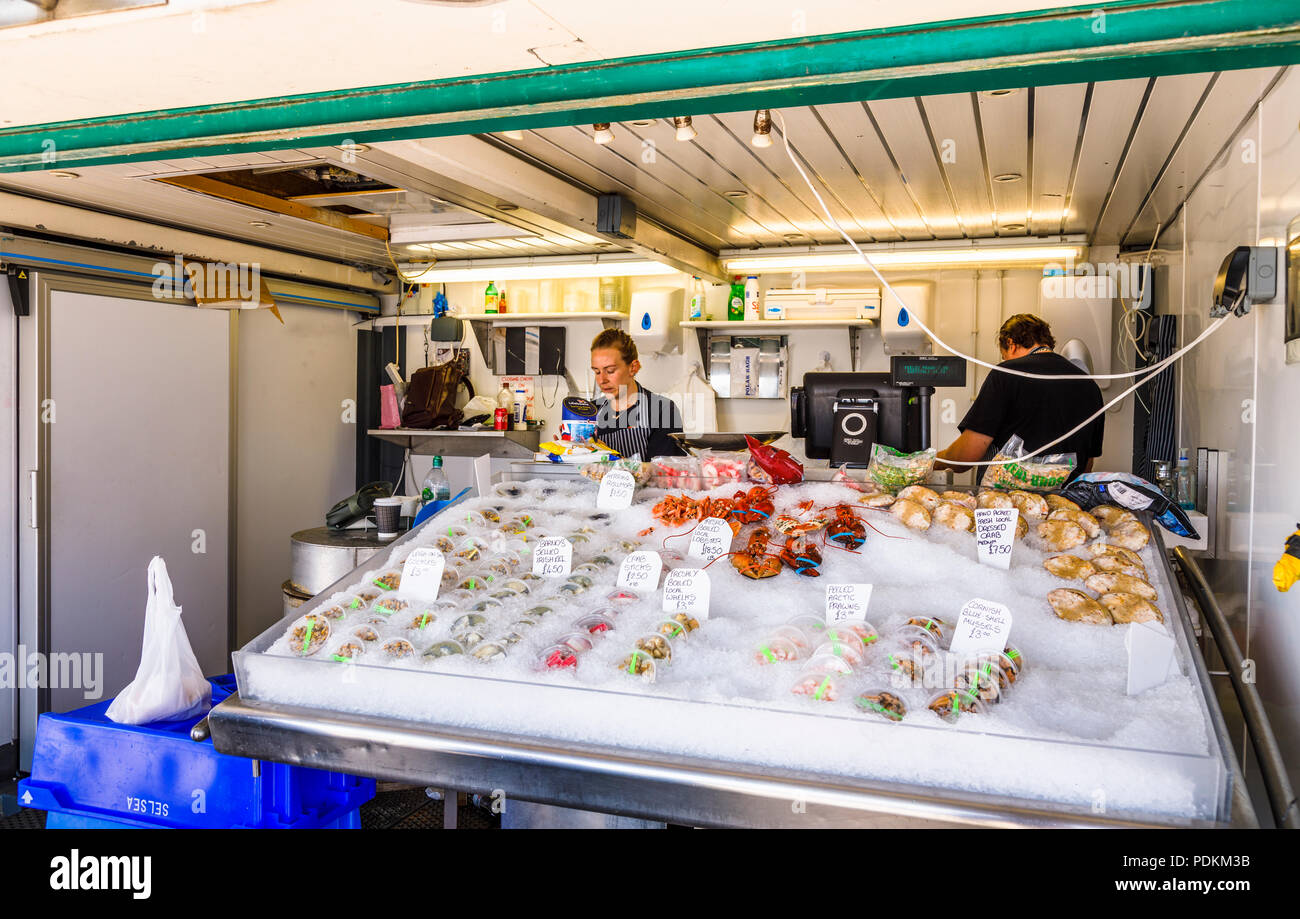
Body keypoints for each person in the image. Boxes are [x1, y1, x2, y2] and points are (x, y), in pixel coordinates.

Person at [936, 314, 1104, 478]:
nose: (1005, 360)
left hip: (1009, 502)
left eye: (1004, 355)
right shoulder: (1090, 387)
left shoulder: (1005, 373)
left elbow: (967, 456)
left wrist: (933, 461)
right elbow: (1087, 464)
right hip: (1068, 502)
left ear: (1011, 344)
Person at [589, 329, 686, 460]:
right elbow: (581, 469)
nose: (602, 380)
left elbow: (664, 472)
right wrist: (570, 447)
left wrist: (611, 457)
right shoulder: (590, 411)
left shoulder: (662, 410)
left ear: (633, 368)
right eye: (597, 372)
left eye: (610, 371)